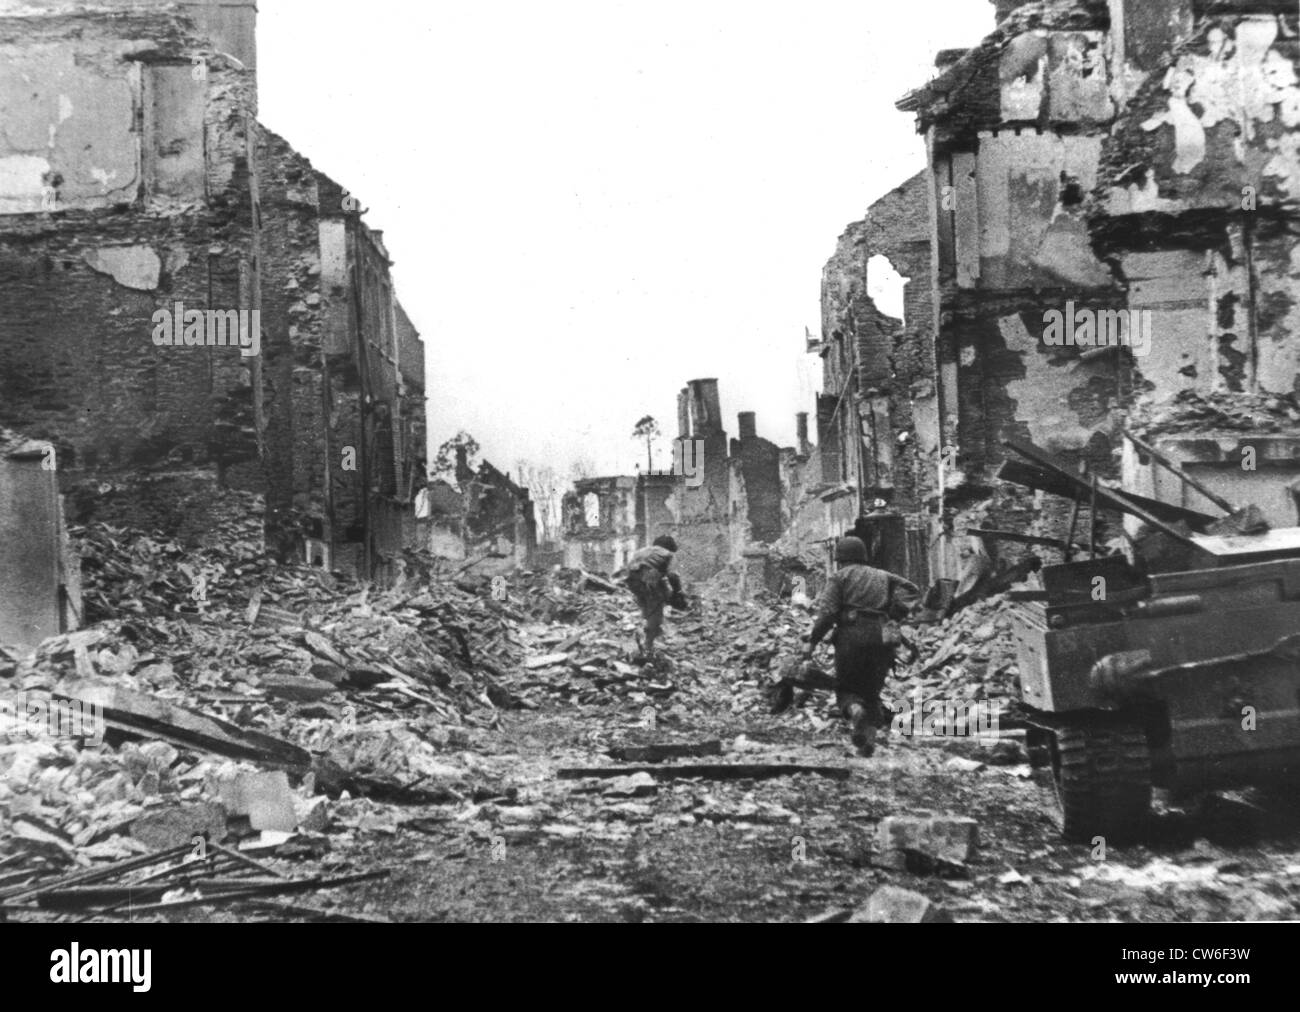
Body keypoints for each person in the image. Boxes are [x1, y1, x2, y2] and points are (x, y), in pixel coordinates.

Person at [803, 536, 920, 756]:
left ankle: (855, 711)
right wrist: (894, 615)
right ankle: (867, 743)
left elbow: (827, 613)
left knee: (846, 688)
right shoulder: (883, 576)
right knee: (872, 692)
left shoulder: (839, 577)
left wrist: (812, 641)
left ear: (841, 559)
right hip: (881, 637)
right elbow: (911, 590)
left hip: (851, 635)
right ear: (863, 556)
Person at [626, 535, 687, 657]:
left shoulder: (642, 551)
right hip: (649, 577)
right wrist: (678, 592)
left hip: (631, 580)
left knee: (647, 607)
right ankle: (647, 645)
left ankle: (642, 633)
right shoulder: (667, 554)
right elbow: (672, 575)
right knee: (656, 611)